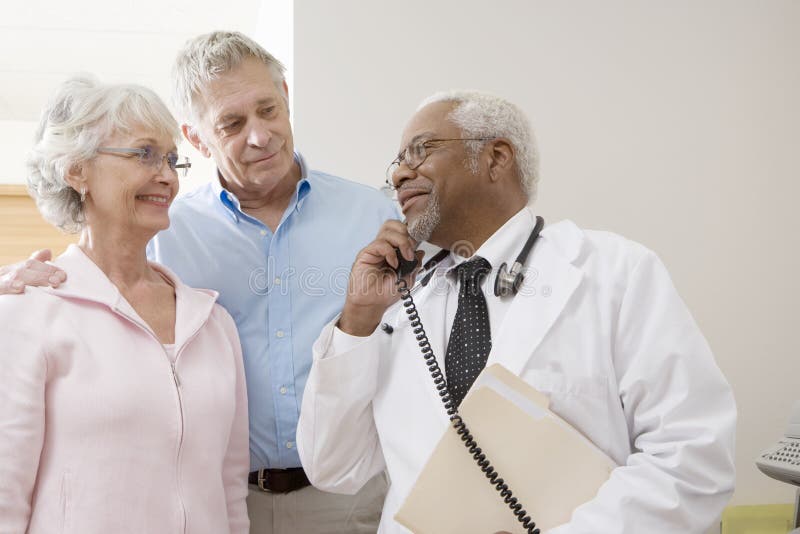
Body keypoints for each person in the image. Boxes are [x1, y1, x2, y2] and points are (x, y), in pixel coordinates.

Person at [0, 31, 396, 533]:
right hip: (237, 498)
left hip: (346, 499)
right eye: (232, 123)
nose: (259, 136)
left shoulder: (373, 219)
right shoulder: (165, 231)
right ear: (198, 138)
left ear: (287, 99)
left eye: (268, 110)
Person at [295, 90, 737, 533]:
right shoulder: (397, 308)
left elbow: (692, 454)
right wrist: (357, 319)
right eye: (396, 162)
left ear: (496, 157)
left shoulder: (615, 273)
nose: (399, 174)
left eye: (420, 150)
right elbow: (335, 469)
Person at [0, 75, 249, 533]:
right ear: (76, 171)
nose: (166, 175)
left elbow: (230, 490)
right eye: (144, 154)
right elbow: (4, 496)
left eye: (172, 159)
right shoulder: (29, 312)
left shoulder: (213, 323)